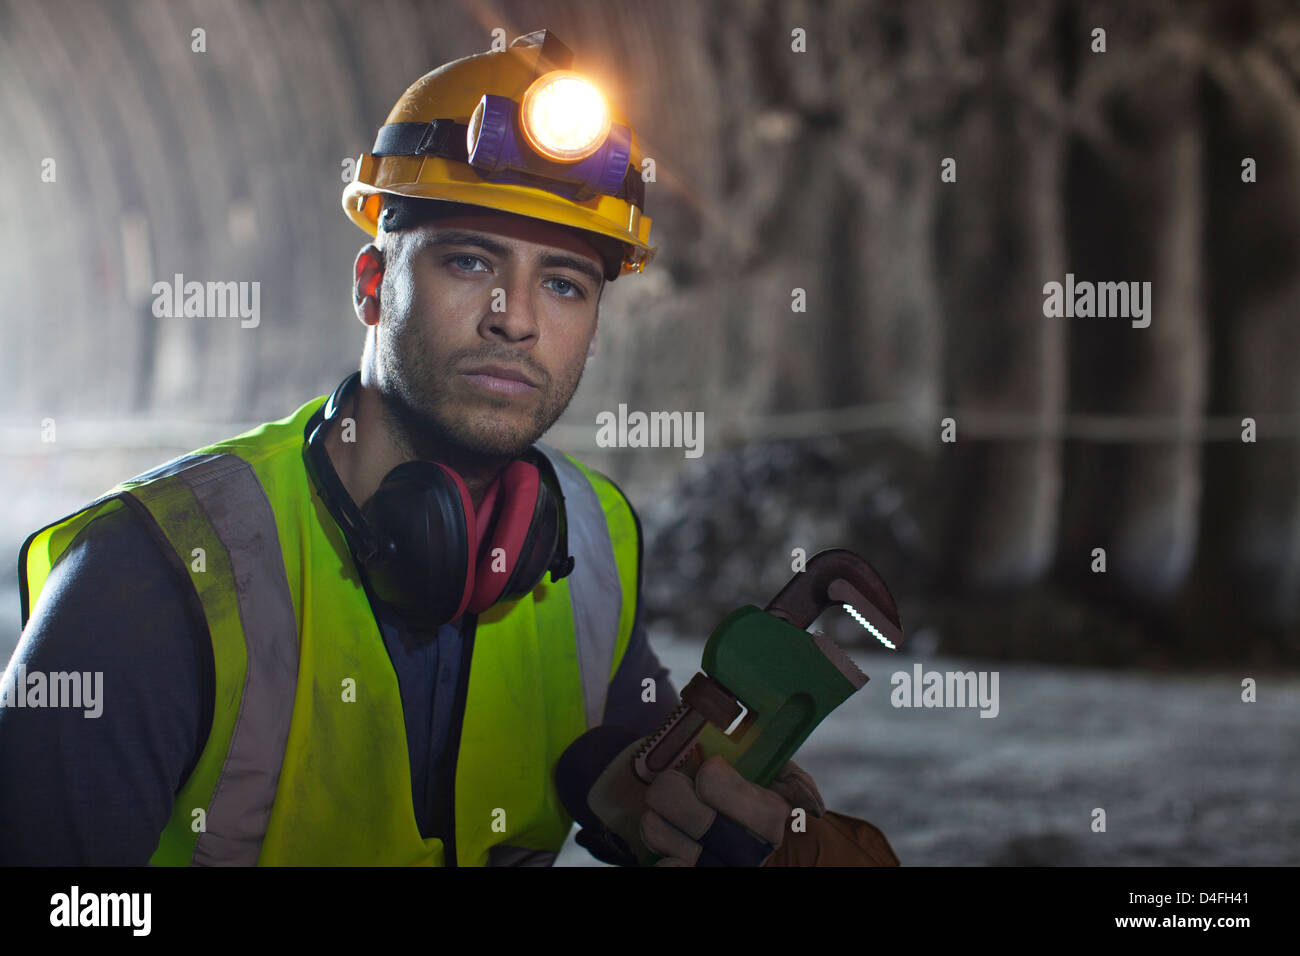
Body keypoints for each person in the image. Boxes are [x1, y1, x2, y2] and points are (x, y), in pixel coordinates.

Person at [1, 30, 898, 867]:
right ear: (372, 285)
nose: (515, 318)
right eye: (467, 262)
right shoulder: (152, 575)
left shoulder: (590, 542)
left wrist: (648, 795)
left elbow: (631, 755)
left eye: (563, 283)